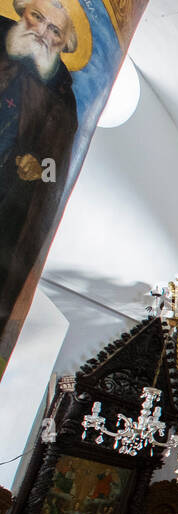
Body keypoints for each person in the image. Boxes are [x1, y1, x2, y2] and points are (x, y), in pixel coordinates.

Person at [0, 0, 80, 324]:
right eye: (38, 17)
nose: (42, 33)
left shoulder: (61, 96)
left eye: (55, 29)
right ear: (23, 12)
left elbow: (54, 173)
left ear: (63, 42)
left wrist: (39, 169)